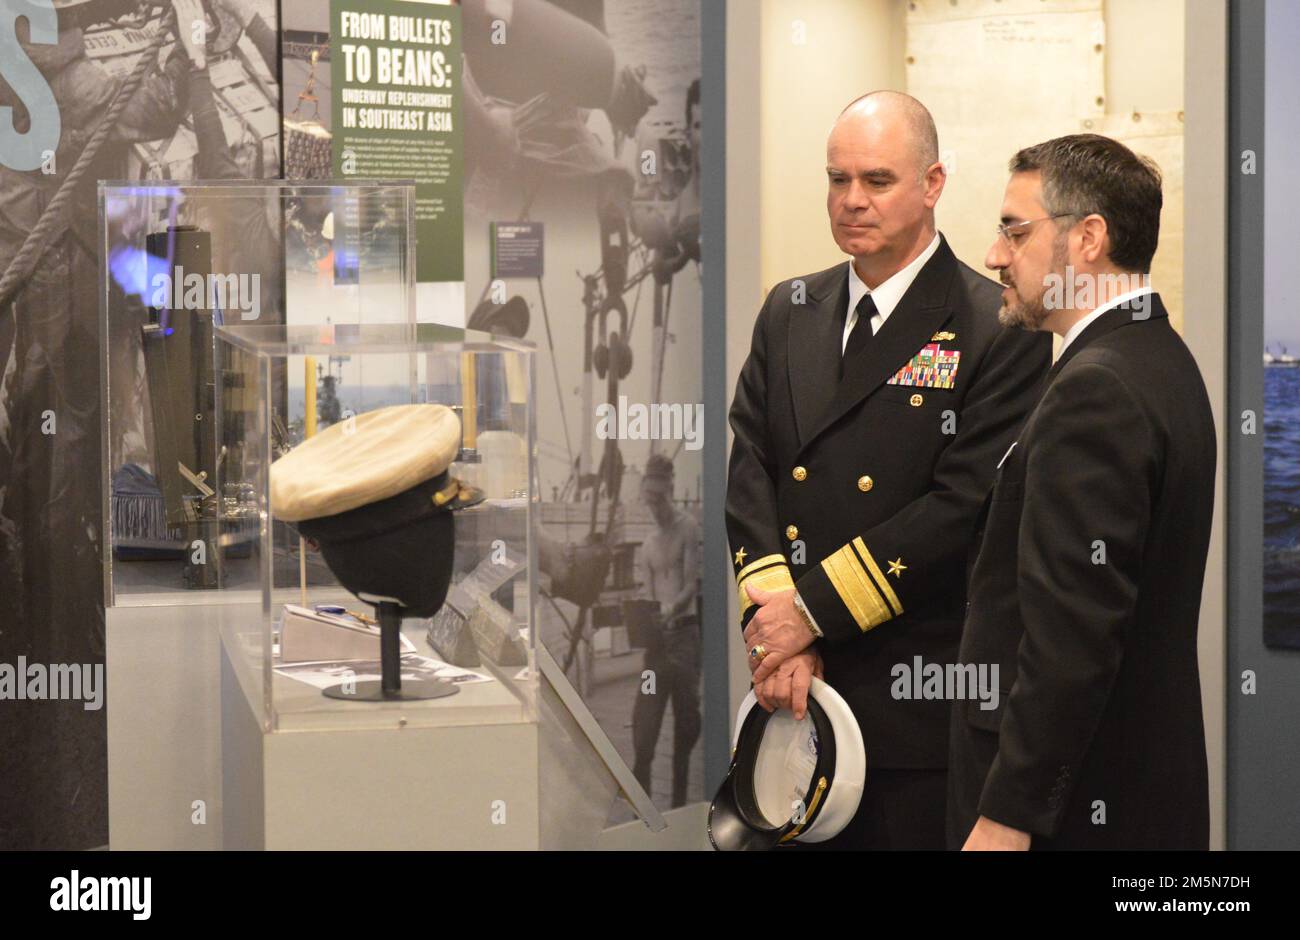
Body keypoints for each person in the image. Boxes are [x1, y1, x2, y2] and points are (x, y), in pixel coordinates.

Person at [726, 91, 1051, 849]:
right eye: (837, 180)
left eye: (876, 181)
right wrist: (777, 631)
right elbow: (752, 469)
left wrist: (808, 616)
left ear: (932, 184)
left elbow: (959, 507)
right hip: (789, 690)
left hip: (912, 707)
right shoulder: (789, 308)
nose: (850, 202)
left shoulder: (995, 325)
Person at [949, 135, 1215, 851]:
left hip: (1077, 816)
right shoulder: (1159, 358)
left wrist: (1008, 818)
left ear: (1088, 238)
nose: (995, 254)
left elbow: (1072, 639)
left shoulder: (1096, 389)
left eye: (1014, 229)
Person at [631, 454, 702, 808]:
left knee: (687, 723)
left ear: (670, 490)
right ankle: (643, 813)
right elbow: (647, 591)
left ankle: (679, 807)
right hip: (657, 643)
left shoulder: (687, 528)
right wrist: (642, 612)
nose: (655, 507)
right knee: (644, 722)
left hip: (685, 636)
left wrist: (669, 610)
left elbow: (690, 584)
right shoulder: (647, 543)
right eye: (649, 500)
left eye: (659, 498)